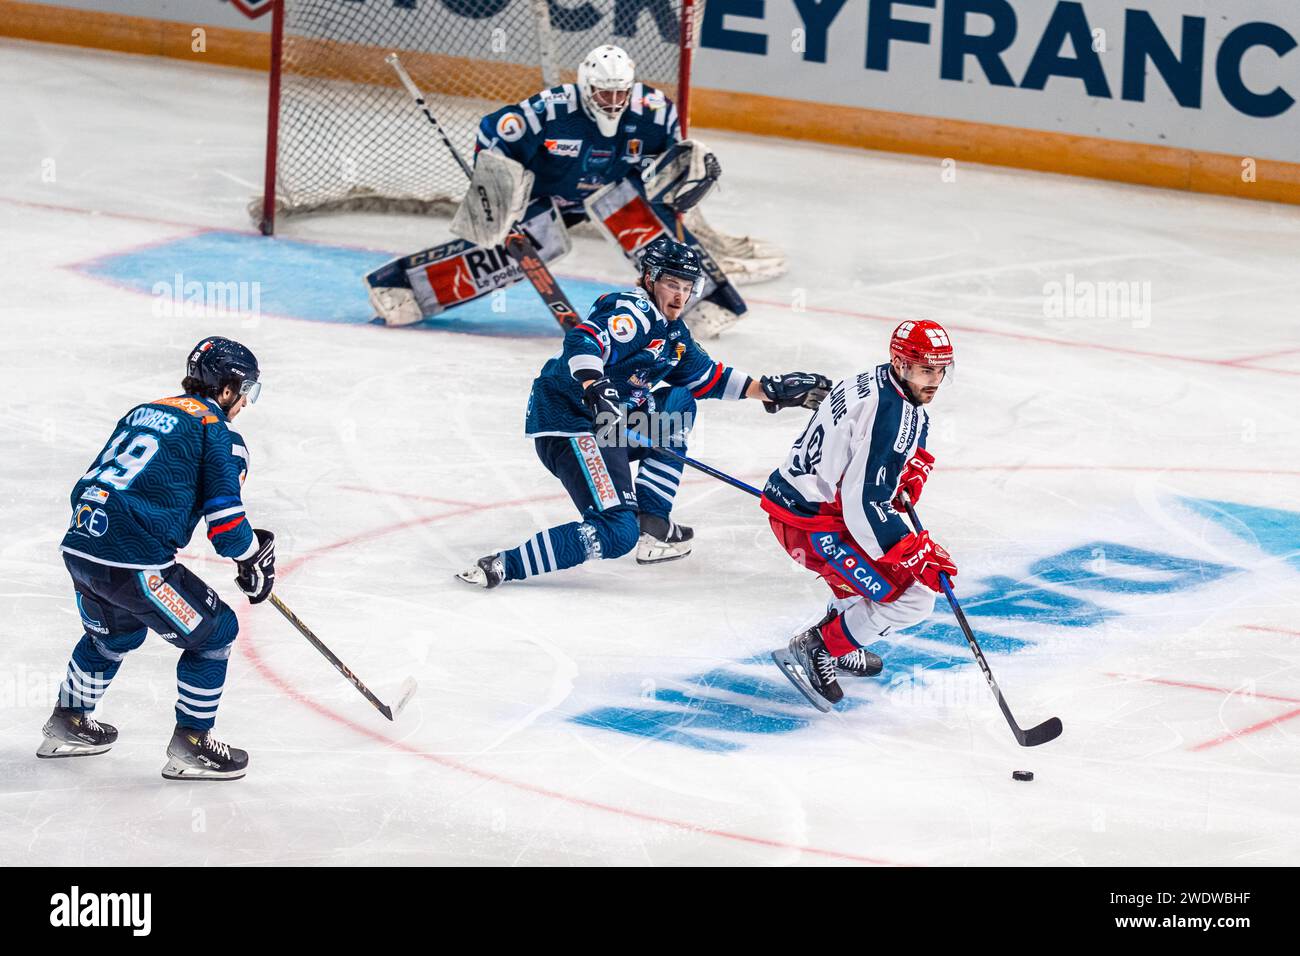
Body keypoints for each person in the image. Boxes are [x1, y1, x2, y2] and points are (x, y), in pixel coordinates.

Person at [456, 236, 828, 587]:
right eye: (672, 284)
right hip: (571, 422)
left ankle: (653, 521)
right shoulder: (633, 309)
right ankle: (504, 564)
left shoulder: (674, 334)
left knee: (679, 400)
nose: (680, 295)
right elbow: (583, 340)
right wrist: (594, 386)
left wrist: (768, 391)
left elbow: (707, 378)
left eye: (687, 287)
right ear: (650, 280)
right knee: (616, 532)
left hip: (610, 424)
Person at [366, 45, 781, 338]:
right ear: (586, 88)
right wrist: (496, 194)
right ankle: (405, 290)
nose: (615, 101)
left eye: (622, 93)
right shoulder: (549, 110)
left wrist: (678, 173)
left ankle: (705, 302)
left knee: (644, 226)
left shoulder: (655, 111)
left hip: (615, 191)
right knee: (518, 245)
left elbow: (668, 162)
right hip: (550, 196)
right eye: (606, 93)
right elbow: (495, 133)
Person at [39, 337, 276, 780]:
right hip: (135, 564)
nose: (245, 403)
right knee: (216, 631)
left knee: (115, 636)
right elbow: (226, 527)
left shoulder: (144, 411)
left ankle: (68, 720)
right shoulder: (215, 431)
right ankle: (193, 742)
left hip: (81, 547)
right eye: (246, 391)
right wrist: (252, 557)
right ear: (226, 389)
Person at [764, 320, 959, 710]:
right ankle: (821, 646)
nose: (935, 380)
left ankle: (840, 634)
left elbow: (896, 437)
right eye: (926, 370)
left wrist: (911, 465)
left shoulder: (877, 381)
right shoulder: (889, 411)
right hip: (813, 526)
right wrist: (911, 551)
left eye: (941, 370)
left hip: (798, 505)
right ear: (901, 363)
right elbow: (864, 505)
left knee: (876, 579)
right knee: (913, 597)